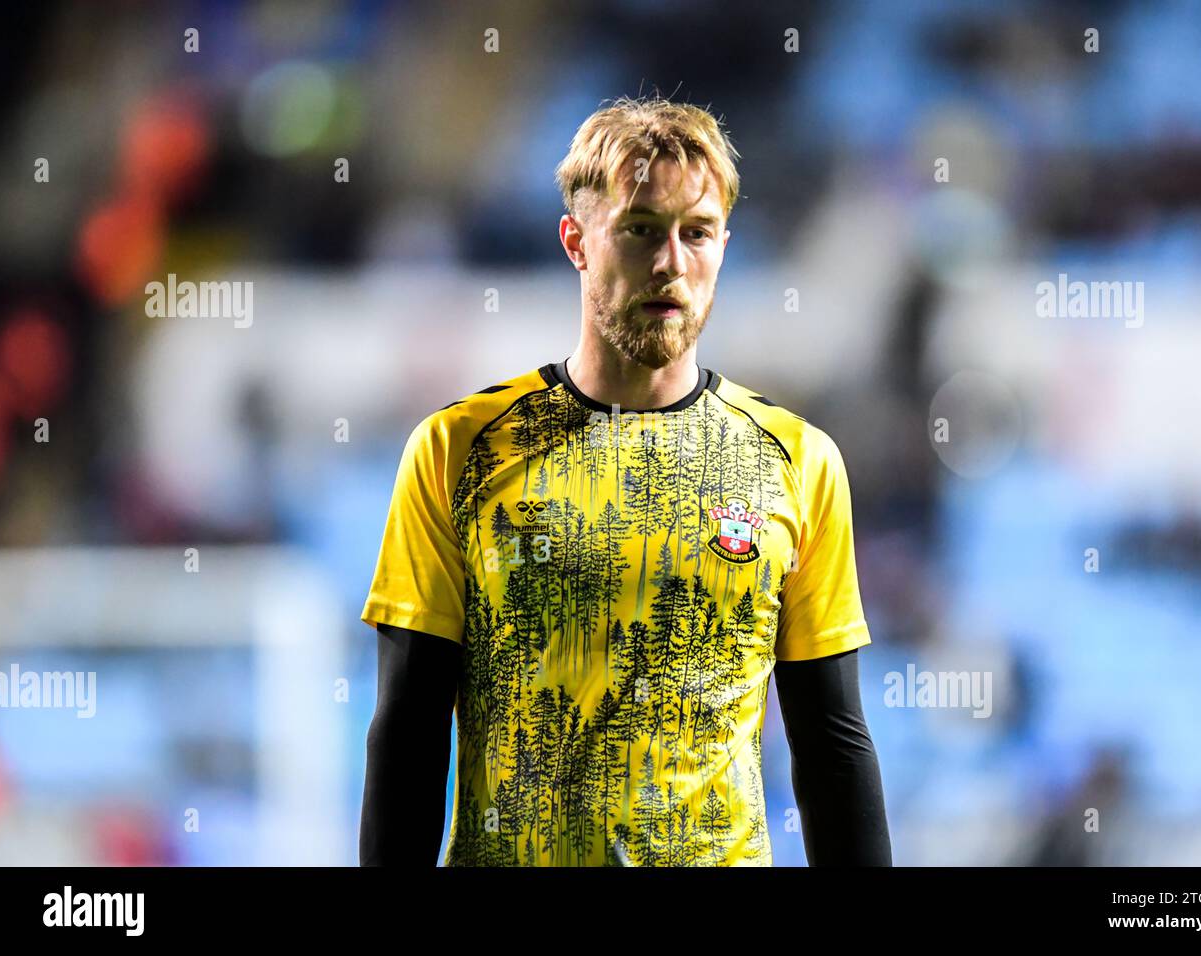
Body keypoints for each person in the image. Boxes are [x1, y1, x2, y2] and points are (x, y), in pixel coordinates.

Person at [359, 95, 891, 867]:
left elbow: (833, 742)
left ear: (723, 246)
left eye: (697, 233)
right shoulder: (458, 449)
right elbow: (409, 730)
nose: (672, 262)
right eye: (641, 229)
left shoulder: (797, 461)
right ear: (577, 242)